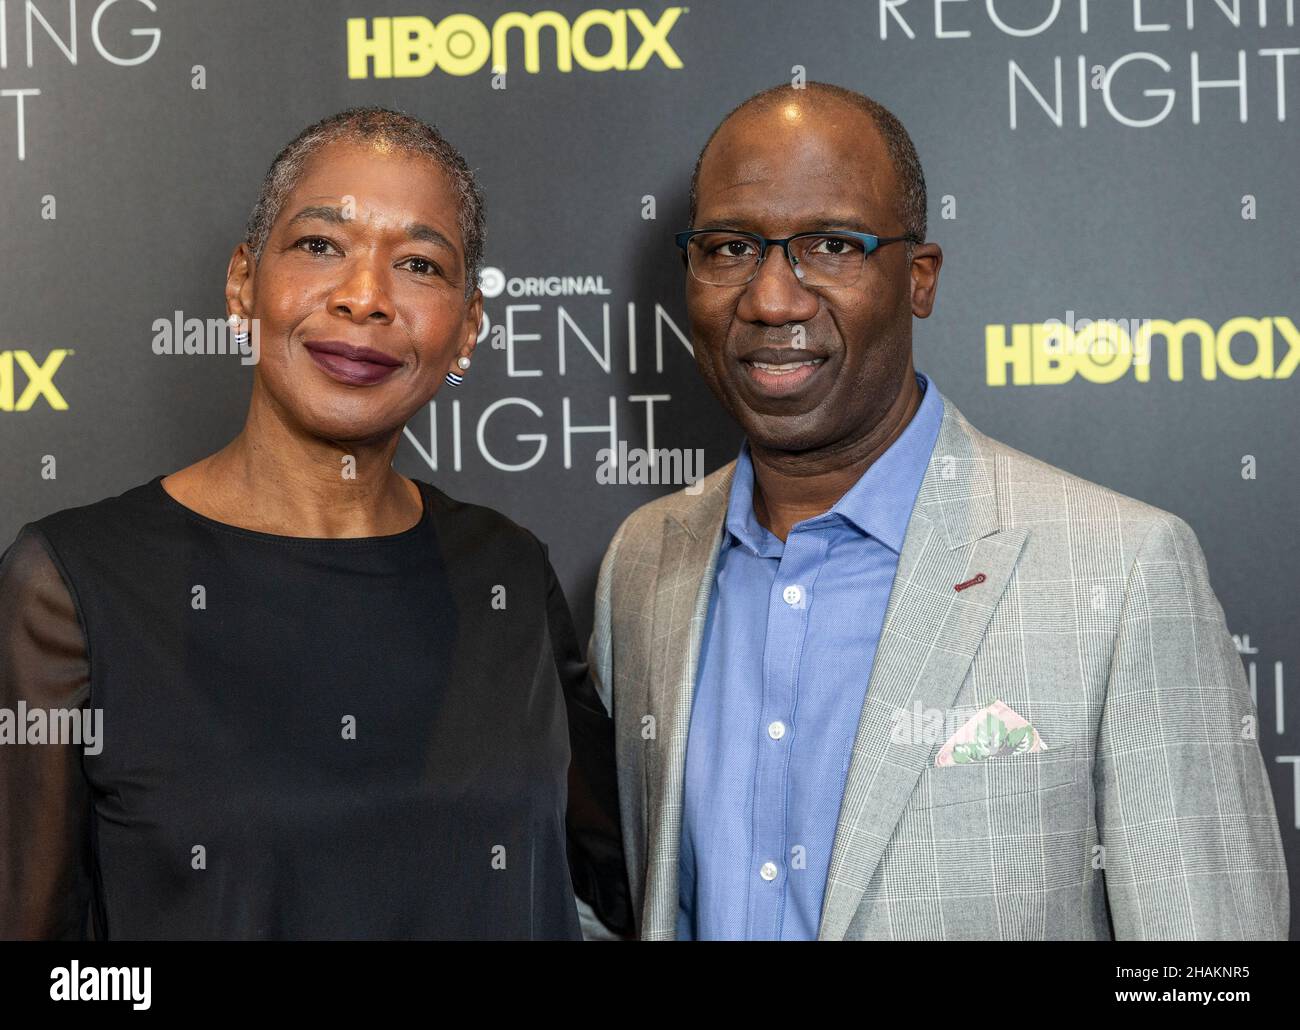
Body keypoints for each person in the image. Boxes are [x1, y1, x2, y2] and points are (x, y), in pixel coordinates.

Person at [587, 82, 1289, 940]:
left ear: (918, 280)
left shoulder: (1122, 571)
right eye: (731, 247)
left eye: (833, 245)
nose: (773, 299)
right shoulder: (643, 563)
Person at [0, 106, 630, 940]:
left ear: (469, 326)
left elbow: (642, 883)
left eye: (418, 263)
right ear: (240, 285)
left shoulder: (507, 572)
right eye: (320, 246)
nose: (364, 298)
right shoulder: (73, 585)